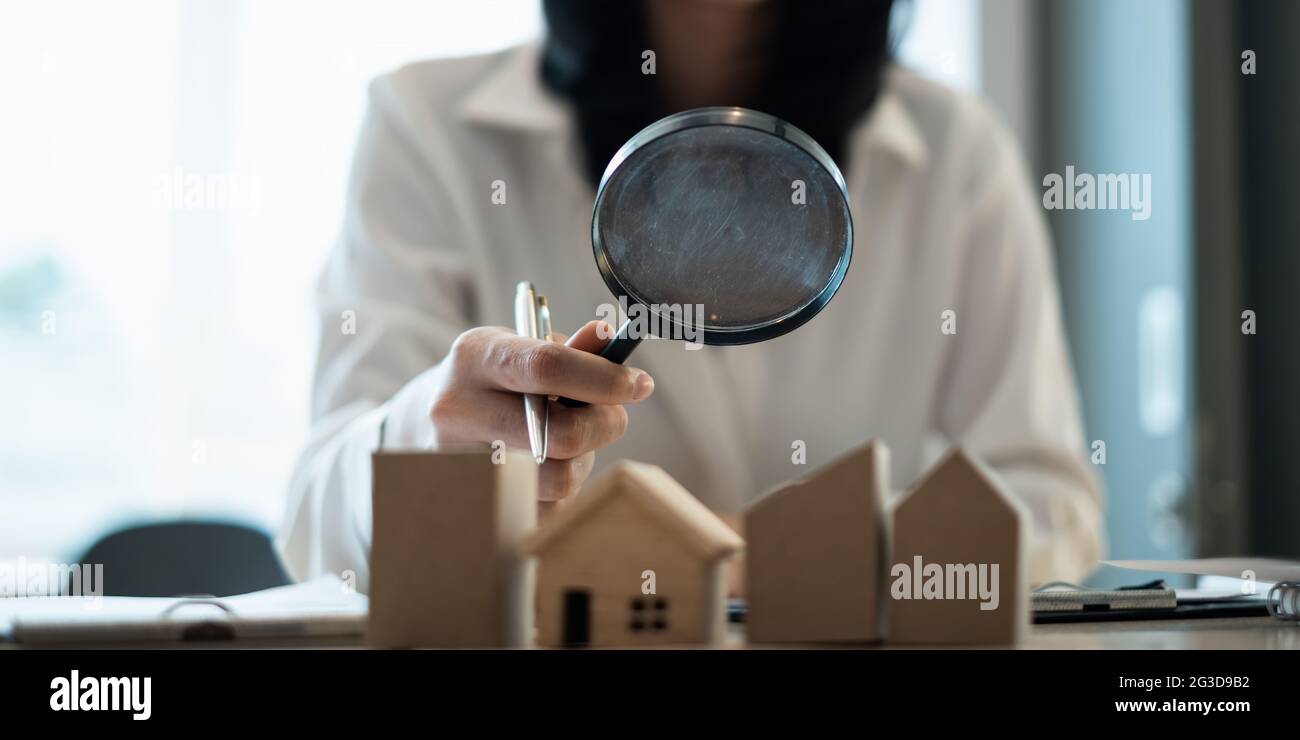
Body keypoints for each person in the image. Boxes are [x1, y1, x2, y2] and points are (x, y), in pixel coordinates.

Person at [278, 0, 1104, 593]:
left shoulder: (959, 156)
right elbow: (321, 530)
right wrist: (431, 441)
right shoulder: (426, 126)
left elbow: (1049, 505)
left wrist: (790, 558)